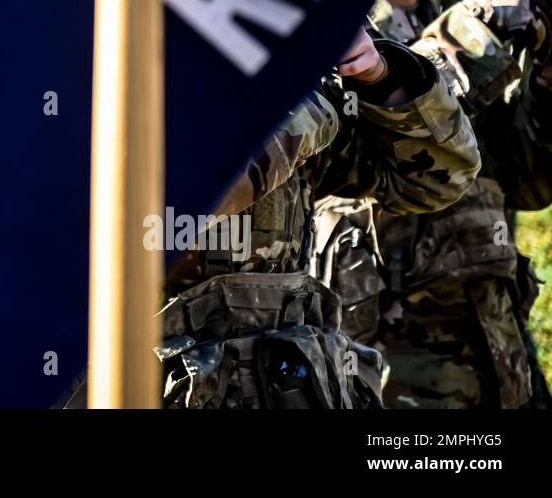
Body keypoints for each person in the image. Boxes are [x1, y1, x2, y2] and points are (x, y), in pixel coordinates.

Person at [315, 0, 552, 408]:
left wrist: (548, 68)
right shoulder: (332, 35)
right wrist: (493, 26)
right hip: (393, 381)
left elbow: (523, 178)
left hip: (497, 365)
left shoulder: (438, 25)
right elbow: (399, 103)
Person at [157, 23, 480, 408]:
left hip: (287, 386)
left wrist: (379, 78)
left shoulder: (291, 25)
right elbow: (174, 197)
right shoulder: (101, 28)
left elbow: (438, 180)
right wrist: (314, 107)